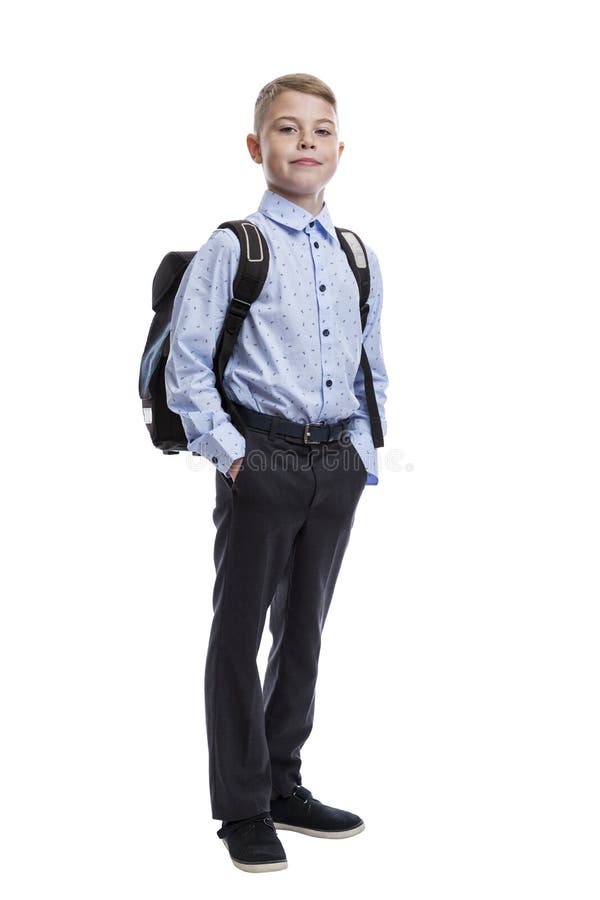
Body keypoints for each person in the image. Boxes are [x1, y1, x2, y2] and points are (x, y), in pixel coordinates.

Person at [165, 72, 389, 873]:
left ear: (340, 149)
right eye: (287, 129)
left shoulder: (357, 256)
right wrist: (235, 456)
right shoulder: (235, 248)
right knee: (238, 634)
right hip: (261, 459)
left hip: (335, 463)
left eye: (320, 130)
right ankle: (242, 807)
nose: (305, 142)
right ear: (256, 147)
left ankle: (283, 782)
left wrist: (362, 452)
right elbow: (189, 367)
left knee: (303, 630)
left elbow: (369, 364)